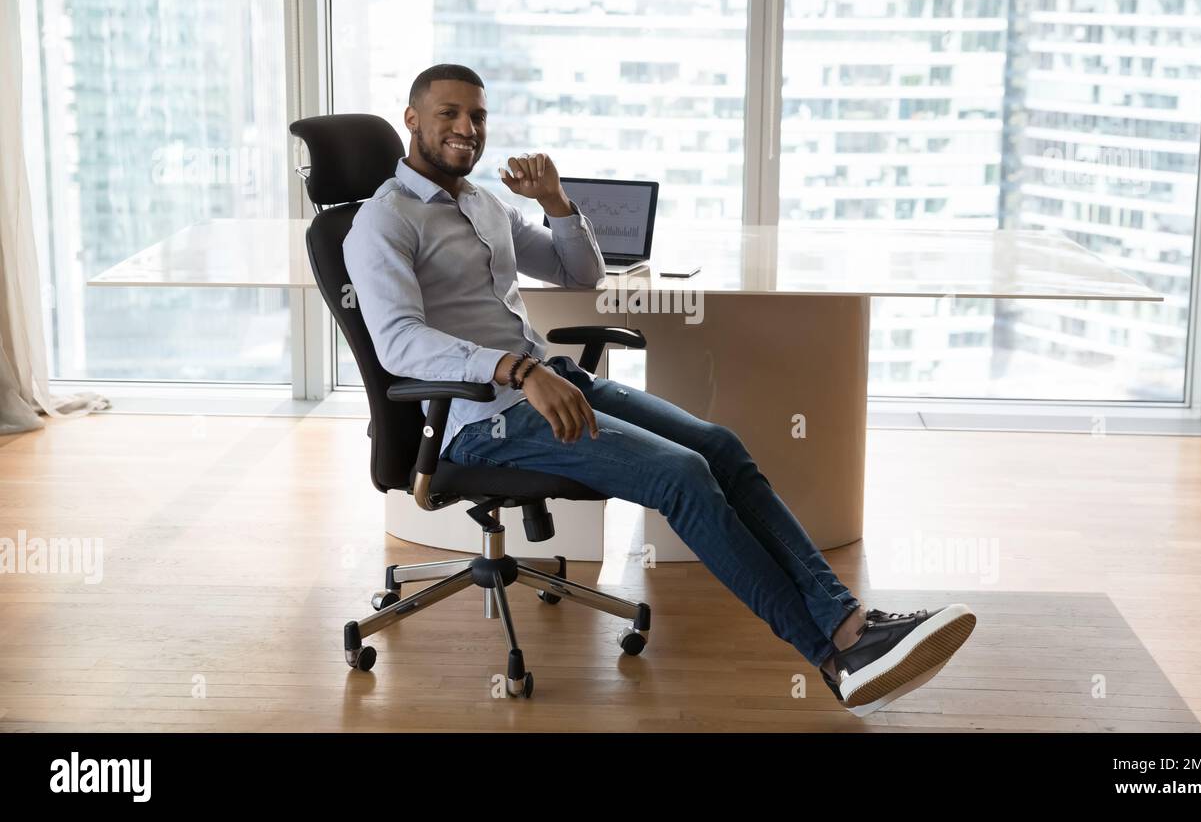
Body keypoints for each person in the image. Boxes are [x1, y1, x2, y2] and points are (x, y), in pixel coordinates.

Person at [341, 63, 977, 715]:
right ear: (412, 120)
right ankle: (836, 654)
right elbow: (399, 342)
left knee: (720, 448)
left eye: (477, 116)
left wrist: (557, 202)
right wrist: (518, 371)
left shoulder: (483, 204)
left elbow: (580, 272)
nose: (465, 128)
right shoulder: (382, 223)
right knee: (682, 475)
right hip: (479, 420)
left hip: (552, 382)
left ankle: (851, 626)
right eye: (448, 113)